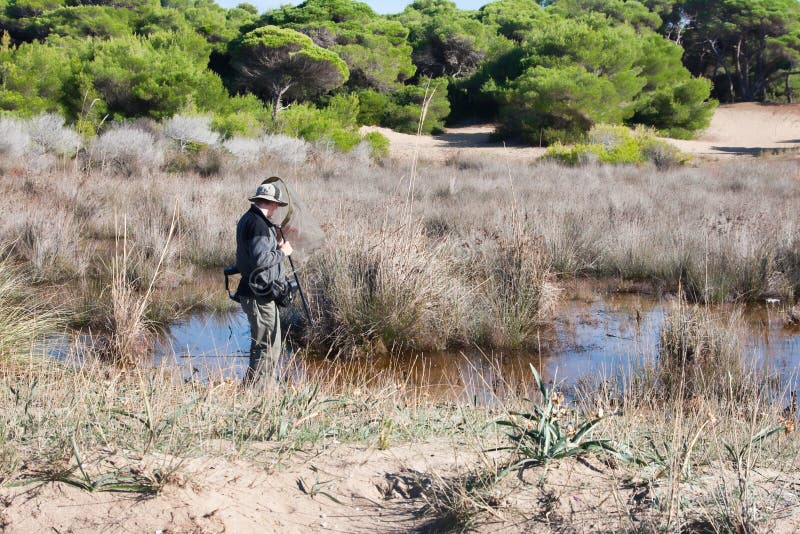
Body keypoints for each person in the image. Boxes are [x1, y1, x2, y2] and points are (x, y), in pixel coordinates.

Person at [235, 181, 293, 386]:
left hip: (257, 292)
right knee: (267, 345)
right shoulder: (258, 224)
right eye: (276, 205)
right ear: (270, 203)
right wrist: (282, 252)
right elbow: (261, 260)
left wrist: (274, 247)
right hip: (258, 294)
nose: (276, 209)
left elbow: (254, 256)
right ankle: (260, 395)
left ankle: (253, 389)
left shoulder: (249, 219)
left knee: (265, 344)